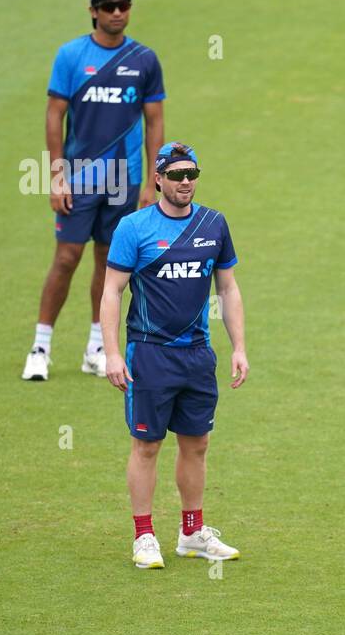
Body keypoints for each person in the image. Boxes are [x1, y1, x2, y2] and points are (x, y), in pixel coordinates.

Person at [99, 142, 249, 569]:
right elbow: (112, 291)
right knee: (147, 445)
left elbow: (228, 288)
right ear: (158, 179)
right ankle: (144, 536)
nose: (186, 182)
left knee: (197, 443)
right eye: (177, 174)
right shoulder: (134, 228)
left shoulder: (214, 224)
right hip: (149, 355)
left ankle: (191, 532)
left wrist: (238, 346)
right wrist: (112, 354)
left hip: (198, 356)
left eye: (192, 174)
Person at [22, 0, 165, 382]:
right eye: (109, 6)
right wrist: (55, 176)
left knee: (109, 261)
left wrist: (153, 183)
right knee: (66, 258)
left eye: (123, 6)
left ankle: (96, 347)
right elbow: (55, 115)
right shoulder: (71, 57)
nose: (117, 13)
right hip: (79, 178)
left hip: (124, 178)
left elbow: (154, 122)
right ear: (93, 11)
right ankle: (40, 346)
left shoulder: (144, 60)